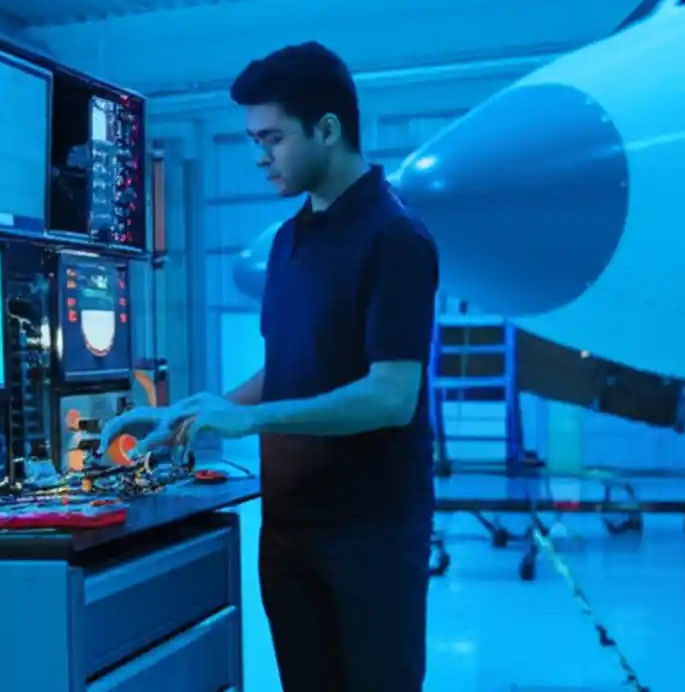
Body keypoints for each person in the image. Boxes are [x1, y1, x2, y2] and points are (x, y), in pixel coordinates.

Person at [106, 41, 438, 692]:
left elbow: (390, 396)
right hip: (289, 532)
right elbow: (287, 367)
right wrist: (192, 414)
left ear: (329, 130)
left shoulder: (395, 238)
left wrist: (247, 421)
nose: (260, 156)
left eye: (272, 138)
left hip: (369, 535)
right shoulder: (289, 240)